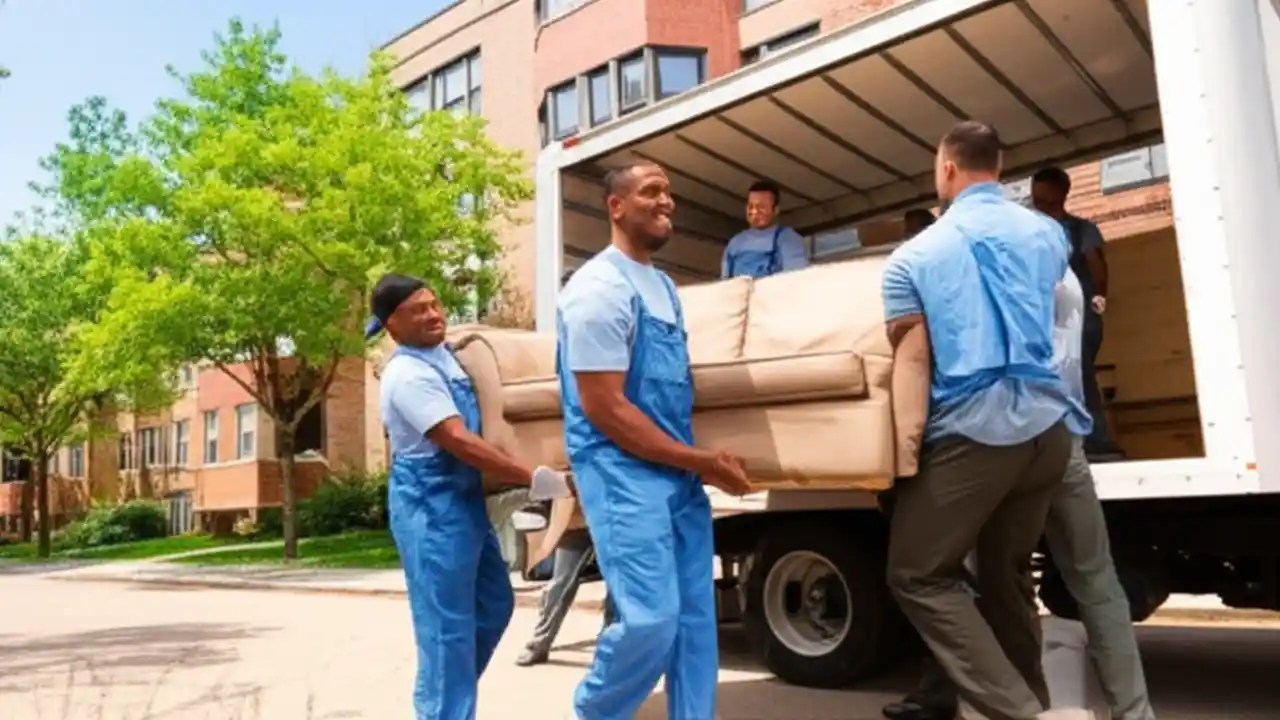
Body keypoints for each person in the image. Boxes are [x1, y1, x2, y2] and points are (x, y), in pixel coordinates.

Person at [881, 121, 1091, 720]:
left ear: (946, 168)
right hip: (1047, 432)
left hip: (975, 433)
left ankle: (1024, 715)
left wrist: (904, 449)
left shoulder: (911, 258)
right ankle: (1037, 702)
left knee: (917, 573)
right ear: (998, 168)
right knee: (1006, 577)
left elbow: (914, 360)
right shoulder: (1049, 234)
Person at [882, 267, 1157, 720]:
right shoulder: (1060, 273)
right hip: (1062, 435)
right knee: (1091, 581)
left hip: (1008, 433)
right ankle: (1135, 713)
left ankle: (1016, 706)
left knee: (966, 576)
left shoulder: (994, 277)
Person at [557, 161, 752, 720]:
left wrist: (694, 461)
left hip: (675, 470)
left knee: (694, 623)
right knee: (650, 619)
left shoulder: (663, 286)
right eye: (651, 191)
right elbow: (606, 408)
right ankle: (595, 711)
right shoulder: (598, 288)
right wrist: (701, 460)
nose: (666, 201)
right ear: (615, 206)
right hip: (622, 474)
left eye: (670, 191)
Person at [369, 273, 573, 720]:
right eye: (417, 311)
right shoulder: (407, 376)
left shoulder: (446, 356)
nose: (432, 315)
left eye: (434, 304)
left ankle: (445, 699)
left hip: (464, 504)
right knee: (446, 631)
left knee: (493, 604)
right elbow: (459, 441)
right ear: (392, 327)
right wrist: (533, 477)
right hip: (429, 506)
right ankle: (443, 709)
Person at [1031, 167, 1125, 462]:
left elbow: (1097, 268)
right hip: (1055, 320)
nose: (1037, 202)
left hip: (1075, 319)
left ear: (1061, 193)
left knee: (1079, 375)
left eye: (1043, 196)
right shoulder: (1037, 230)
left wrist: (1096, 303)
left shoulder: (1079, 230)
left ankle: (1097, 441)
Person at [515, 529, 618, 666]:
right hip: (577, 523)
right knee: (560, 584)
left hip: (615, 523)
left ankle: (610, 646)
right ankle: (539, 643)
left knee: (617, 586)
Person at [722, 179, 809, 279]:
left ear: (776, 210)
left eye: (761, 207)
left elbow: (796, 278)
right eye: (751, 206)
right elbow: (725, 284)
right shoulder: (735, 243)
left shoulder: (787, 238)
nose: (754, 211)